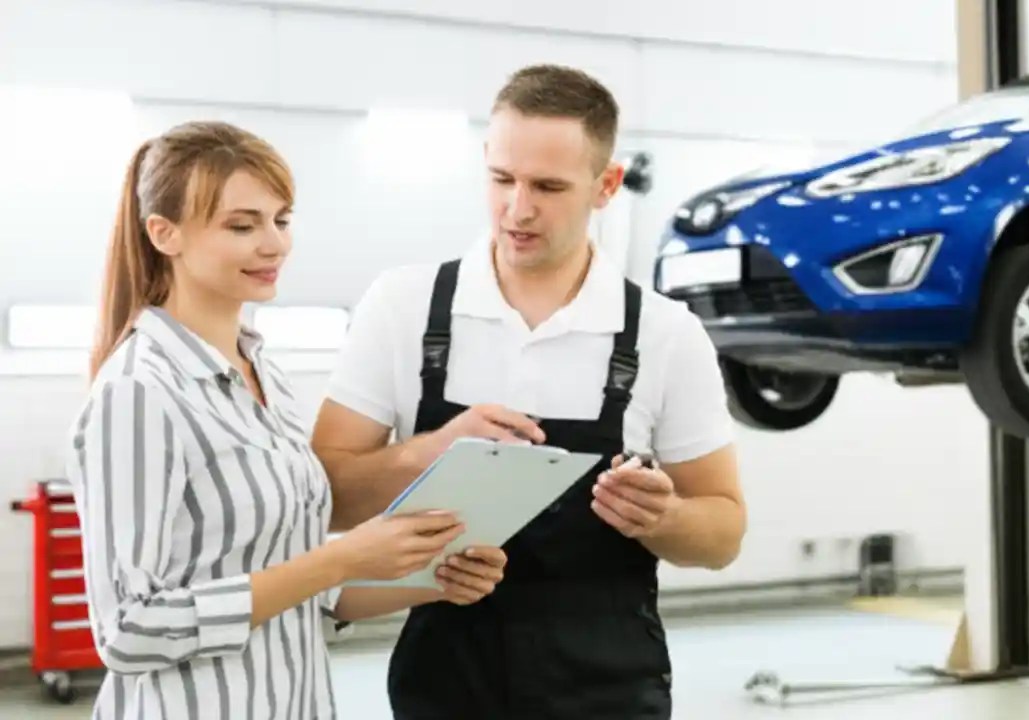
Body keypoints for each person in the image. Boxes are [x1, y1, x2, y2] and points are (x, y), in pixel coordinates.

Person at [311, 64, 747, 718]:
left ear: (607, 186)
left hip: (610, 690)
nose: (518, 208)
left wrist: (666, 518)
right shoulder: (403, 307)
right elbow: (326, 497)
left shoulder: (665, 333)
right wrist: (430, 452)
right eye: (501, 179)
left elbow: (723, 536)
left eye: (548, 186)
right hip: (443, 686)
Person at [67, 120, 508, 720]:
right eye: (242, 226)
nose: (274, 244)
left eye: (281, 219)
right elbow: (129, 628)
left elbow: (294, 585)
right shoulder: (140, 391)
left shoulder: (262, 373)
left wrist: (431, 580)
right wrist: (344, 556)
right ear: (163, 233)